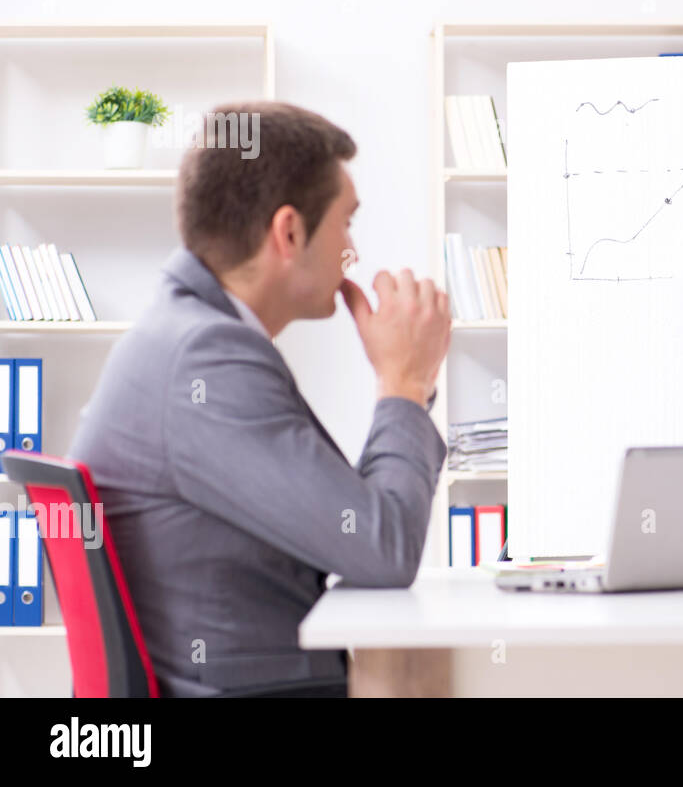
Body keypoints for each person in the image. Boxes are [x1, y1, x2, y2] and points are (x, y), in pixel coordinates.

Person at [67, 102, 452, 697]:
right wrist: (403, 384)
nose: (351, 249)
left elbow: (356, 525)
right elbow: (384, 549)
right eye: (346, 222)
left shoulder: (193, 336)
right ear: (290, 232)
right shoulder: (206, 360)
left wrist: (402, 386)